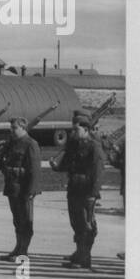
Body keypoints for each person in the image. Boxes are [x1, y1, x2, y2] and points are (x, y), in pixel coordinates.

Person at [50, 112, 104, 269]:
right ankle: (79, 252)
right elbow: (67, 165)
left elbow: (98, 173)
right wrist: (56, 167)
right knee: (76, 223)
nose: (73, 133)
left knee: (87, 224)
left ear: (86, 129)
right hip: (74, 188)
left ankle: (85, 257)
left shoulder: (94, 147)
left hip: (86, 191)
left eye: (76, 129)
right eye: (72, 130)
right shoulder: (74, 145)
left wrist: (93, 195)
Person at [0, 116, 41, 260]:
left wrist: (31, 190)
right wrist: (4, 167)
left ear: (23, 128)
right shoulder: (11, 143)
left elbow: (34, 170)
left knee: (25, 220)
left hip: (24, 188)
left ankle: (23, 251)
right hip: (12, 186)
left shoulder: (30, 144)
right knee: (17, 220)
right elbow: (2, 161)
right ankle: (17, 248)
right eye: (11, 127)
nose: (11, 130)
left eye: (14, 127)